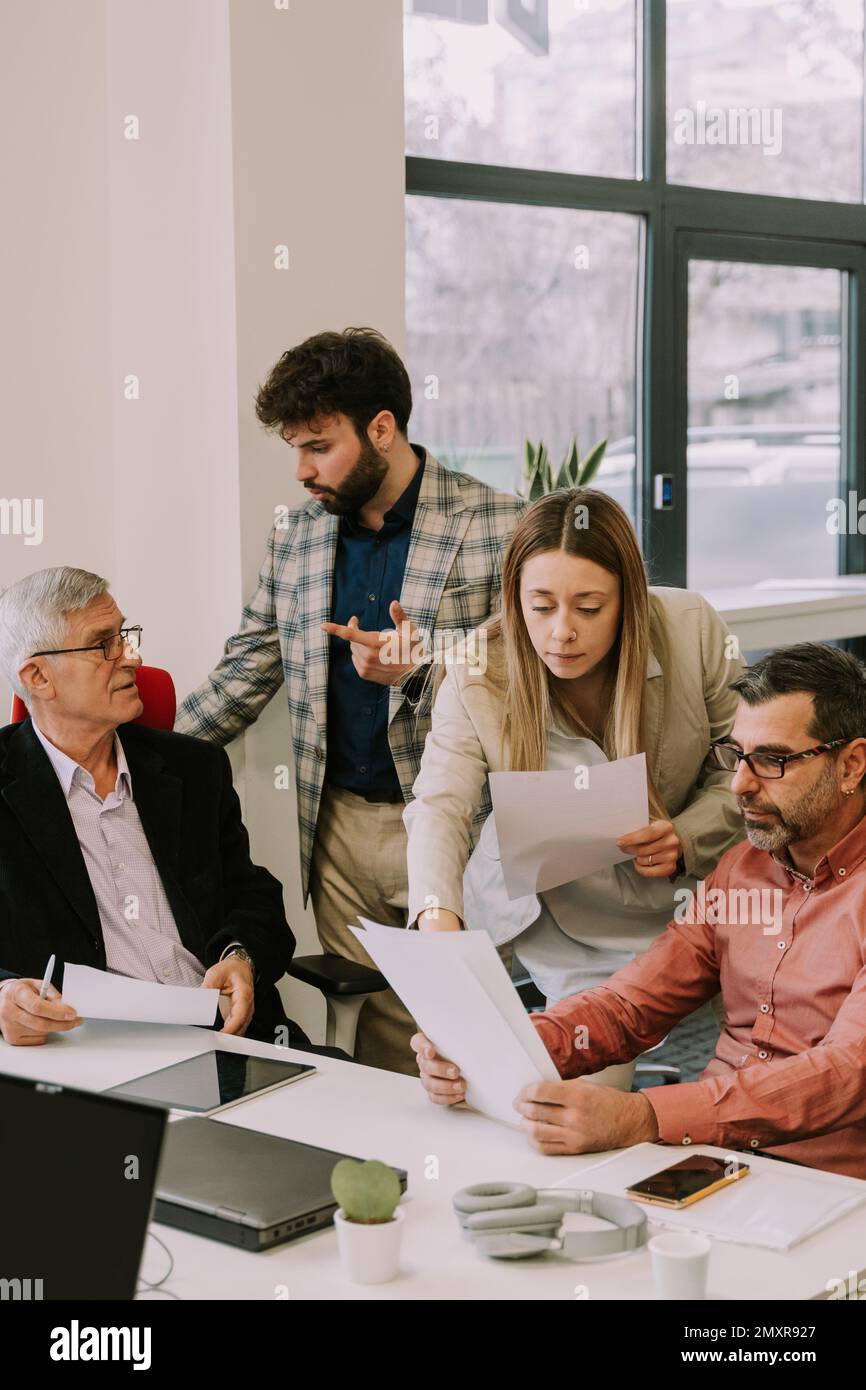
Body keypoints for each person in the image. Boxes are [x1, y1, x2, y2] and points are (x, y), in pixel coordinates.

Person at [176, 327, 524, 1074]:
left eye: (318, 446)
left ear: (382, 428)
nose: (301, 470)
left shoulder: (500, 524)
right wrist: (138, 753)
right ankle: (385, 1182)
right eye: (294, 448)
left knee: (454, 1029)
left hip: (456, 821)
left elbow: (531, 685)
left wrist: (423, 671)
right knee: (374, 1028)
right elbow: (249, 666)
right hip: (335, 831)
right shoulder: (296, 537)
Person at [414, 642, 866, 1180]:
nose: (740, 785)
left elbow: (846, 1073)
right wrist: (496, 1044)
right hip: (712, 1160)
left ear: (852, 764)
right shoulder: (743, 868)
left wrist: (644, 1116)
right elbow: (632, 1004)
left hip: (827, 1186)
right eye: (737, 756)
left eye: (772, 760)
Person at [404, 487, 743, 1087]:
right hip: (555, 919)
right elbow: (439, 805)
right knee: (559, 1107)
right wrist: (437, 921)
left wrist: (686, 834)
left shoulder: (691, 629)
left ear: (629, 601)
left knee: (742, 1084)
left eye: (589, 607)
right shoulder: (479, 666)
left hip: (685, 911)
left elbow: (745, 767)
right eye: (541, 606)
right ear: (514, 600)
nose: (562, 632)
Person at [0, 567, 322, 1054]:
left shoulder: (194, 769)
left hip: (228, 1037)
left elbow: (253, 894)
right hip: (88, 1052)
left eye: (124, 636)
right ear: (38, 677)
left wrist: (241, 957)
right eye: (103, 644)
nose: (132, 657)